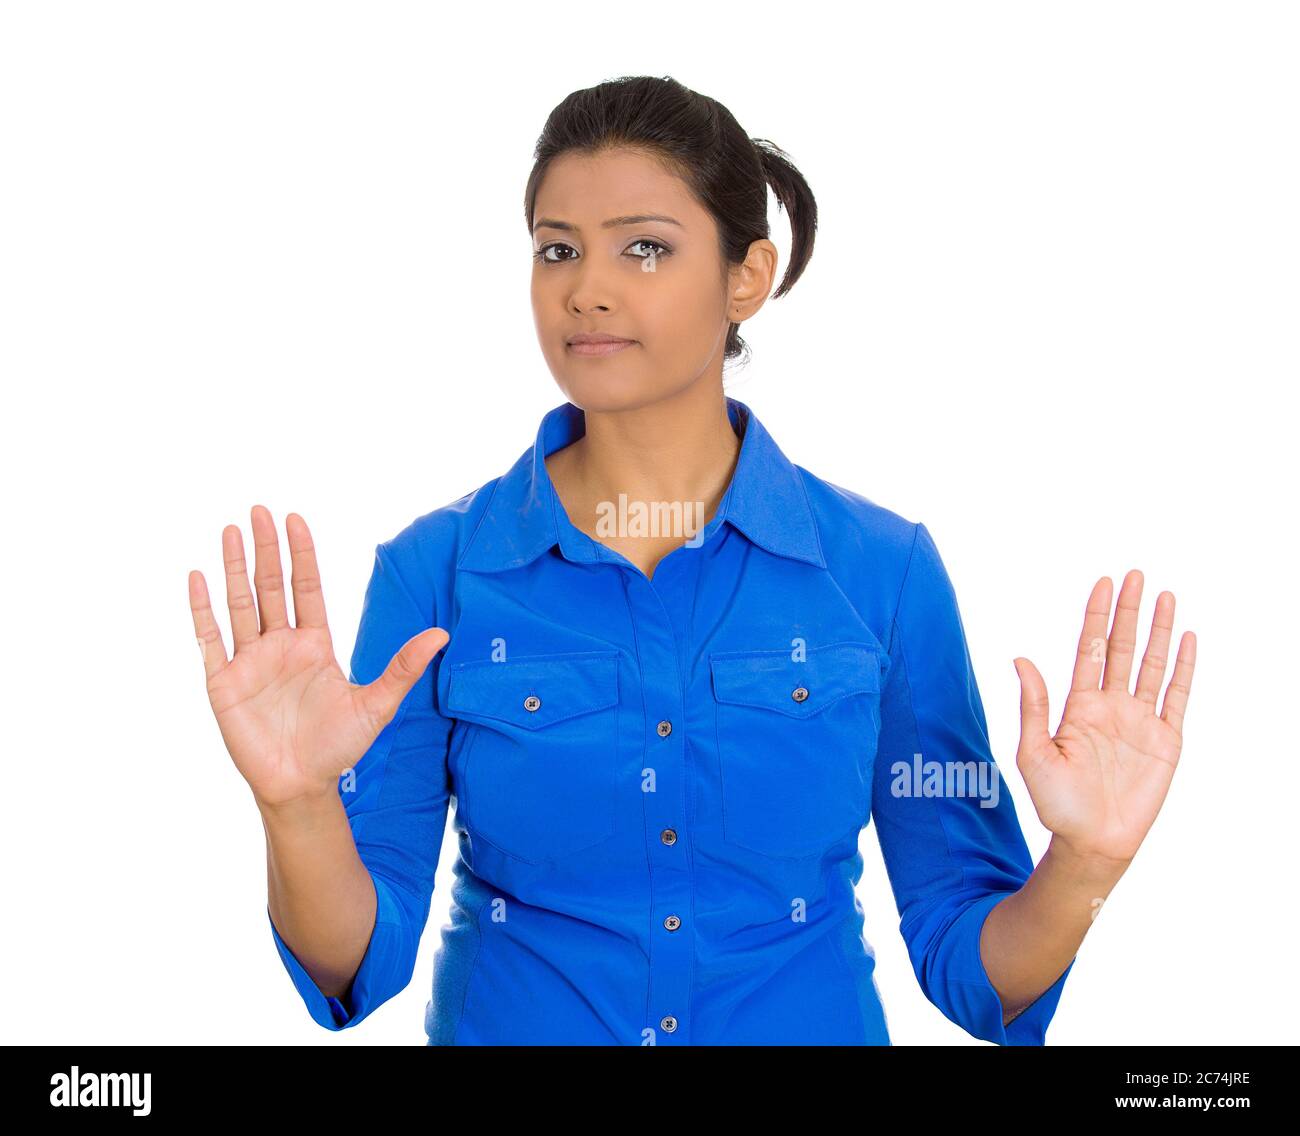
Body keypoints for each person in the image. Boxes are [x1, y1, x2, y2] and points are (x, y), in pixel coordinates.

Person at [187, 75, 1197, 1045]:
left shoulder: (882, 570)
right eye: (556, 250)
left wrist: (1082, 863)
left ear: (746, 276)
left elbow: (973, 972)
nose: (585, 290)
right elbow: (350, 963)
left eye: (644, 249)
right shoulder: (436, 571)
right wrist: (296, 802)